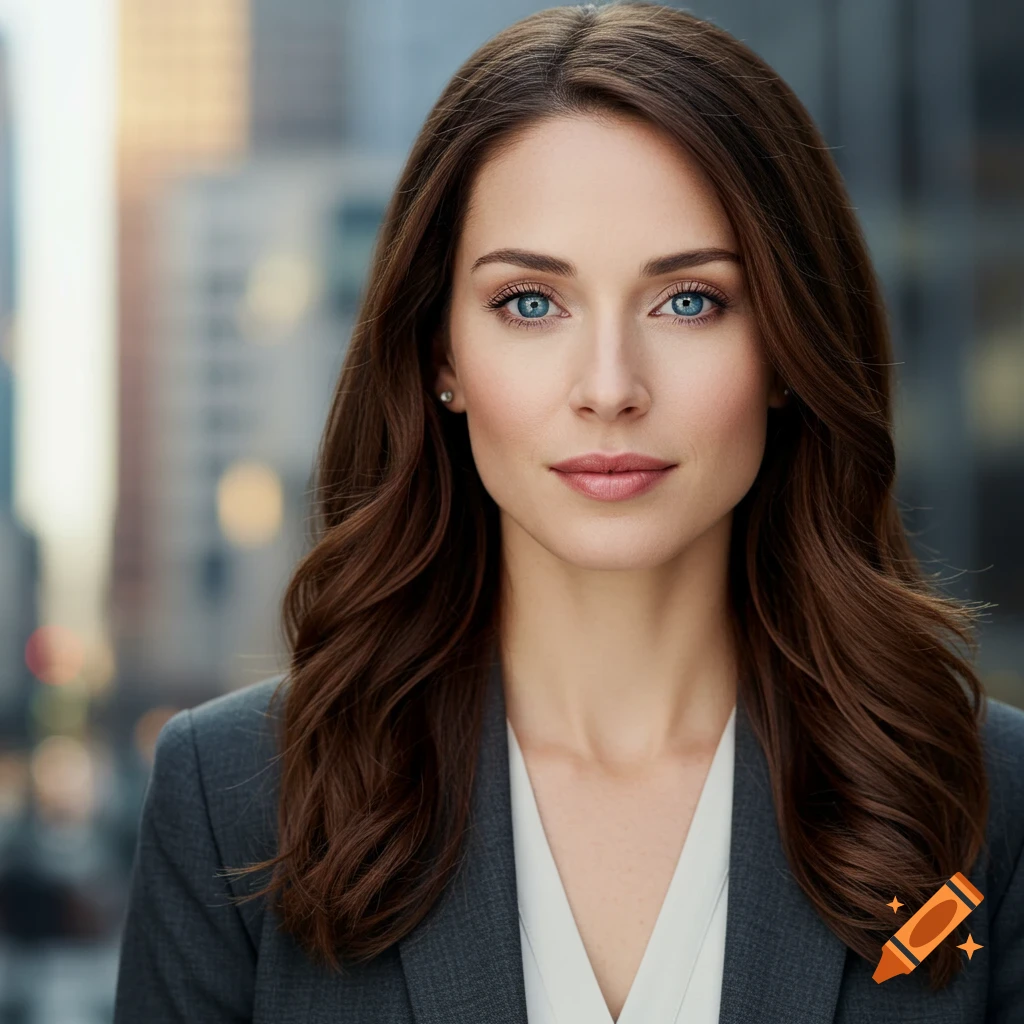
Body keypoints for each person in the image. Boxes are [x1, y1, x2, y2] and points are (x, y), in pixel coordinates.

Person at [112, 3, 1024, 1022]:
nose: (608, 386)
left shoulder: (988, 799)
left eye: (687, 300)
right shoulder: (234, 795)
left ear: (785, 349)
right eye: (531, 303)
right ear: (441, 356)